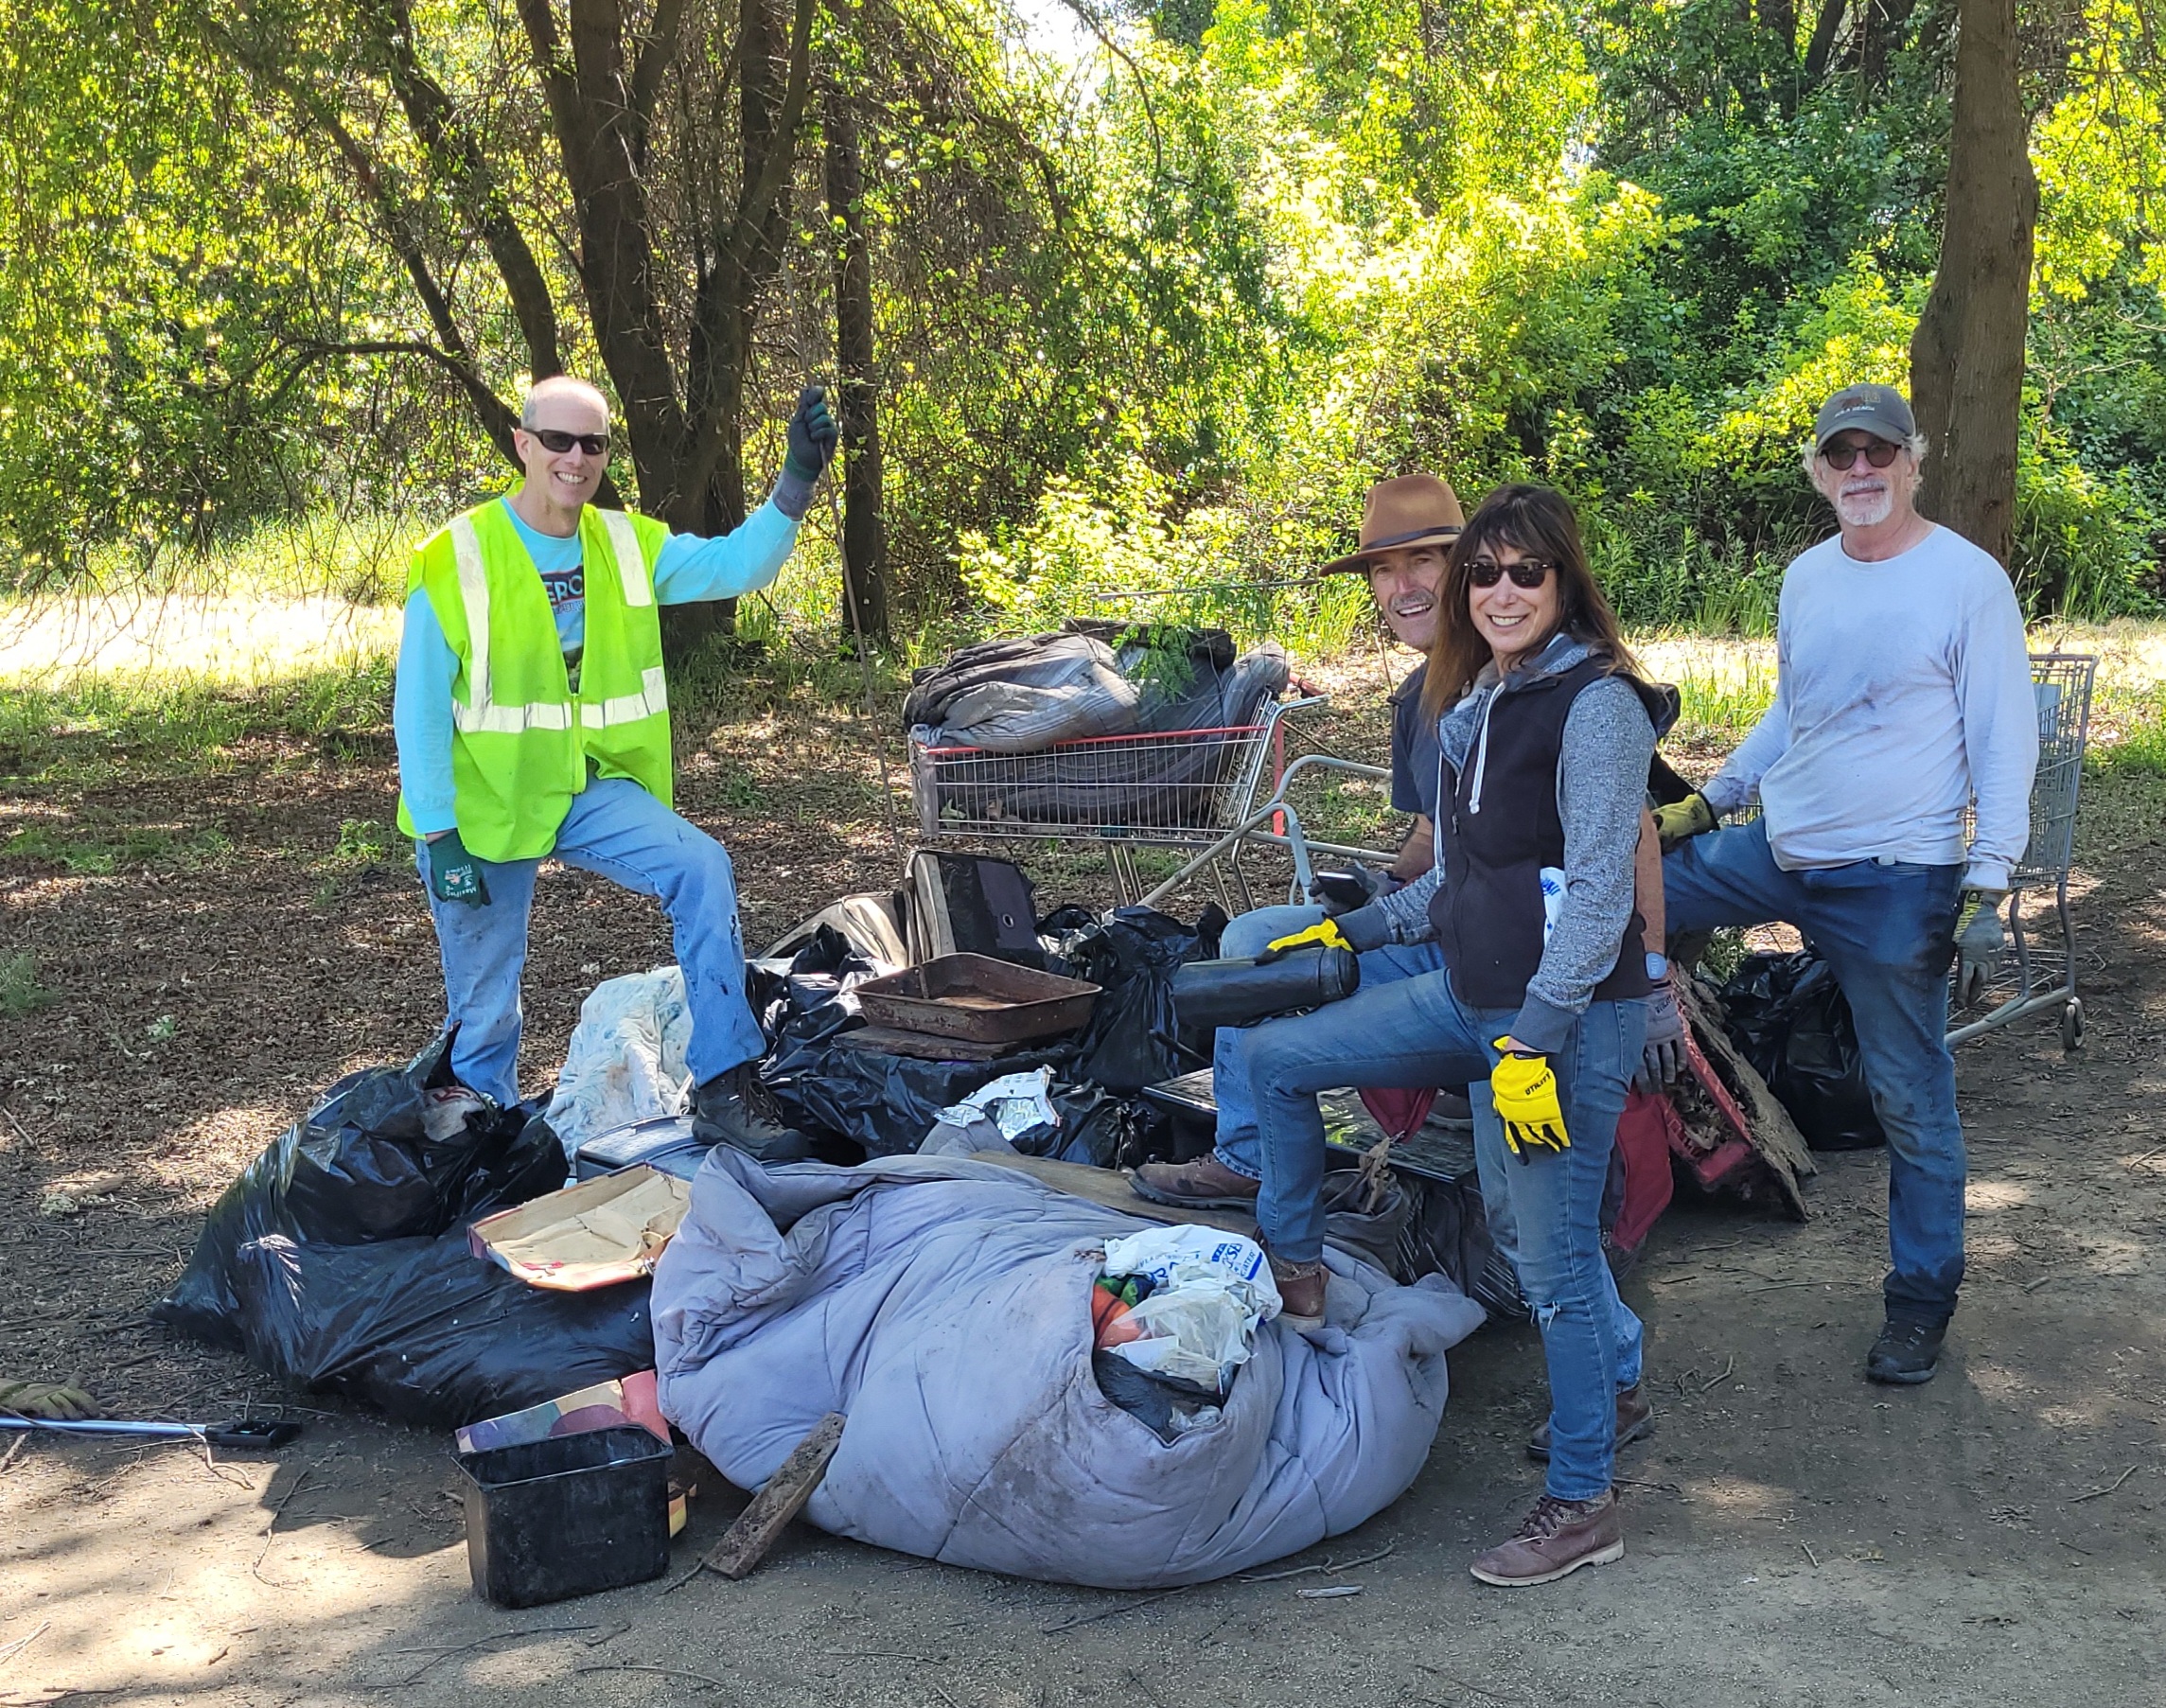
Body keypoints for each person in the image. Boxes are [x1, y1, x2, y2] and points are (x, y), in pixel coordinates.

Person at [1179, 483, 1665, 1587]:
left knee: (1546, 1261)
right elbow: (1449, 881)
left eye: (1522, 572)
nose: (1500, 591)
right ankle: (1296, 1272)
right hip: (1471, 994)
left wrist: (1536, 1037)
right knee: (1278, 1053)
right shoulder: (1476, 698)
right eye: (1484, 572)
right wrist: (1331, 932)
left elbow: (1597, 895)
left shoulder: (1599, 705)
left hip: (1565, 1020)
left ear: (1564, 581)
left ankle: (1585, 1496)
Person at [1654, 383, 2037, 1386]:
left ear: (1913, 461)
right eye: (1842, 456)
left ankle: (1920, 1301)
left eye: (1880, 453)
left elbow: (2005, 738)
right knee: (1619, 899)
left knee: (1912, 1099)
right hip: (1780, 846)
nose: (1861, 471)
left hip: (1896, 880)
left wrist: (1989, 884)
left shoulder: (1966, 581)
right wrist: (1716, 798)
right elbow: (1795, 710)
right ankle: (1616, 1162)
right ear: (1820, 472)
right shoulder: (1808, 577)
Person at [393, 374, 838, 1160]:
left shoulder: (623, 543)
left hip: (583, 785)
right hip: (485, 805)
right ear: (524, 445)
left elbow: (737, 566)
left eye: (592, 443)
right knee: (485, 1004)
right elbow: (421, 705)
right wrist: (439, 831)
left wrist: (795, 481)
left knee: (701, 867)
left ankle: (726, 1081)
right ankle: (481, 1140)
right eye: (558, 440)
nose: (575, 457)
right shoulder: (458, 555)